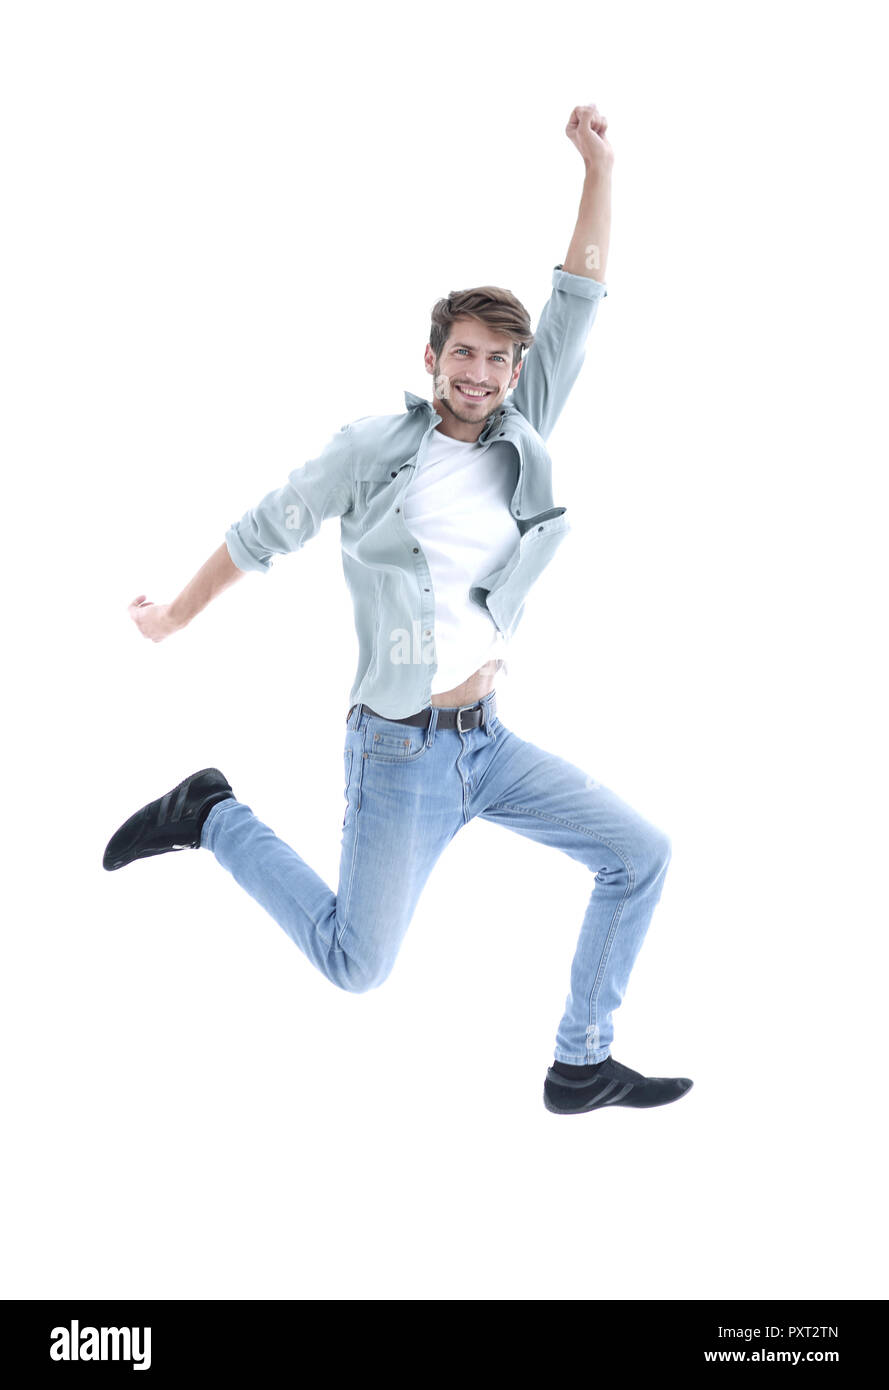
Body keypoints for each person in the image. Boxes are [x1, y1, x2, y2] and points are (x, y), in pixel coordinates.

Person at [103, 104, 692, 1116]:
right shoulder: (372, 449)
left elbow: (581, 296)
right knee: (355, 966)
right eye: (462, 354)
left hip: (490, 743)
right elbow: (262, 532)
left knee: (640, 853)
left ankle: (579, 1060)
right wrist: (176, 618)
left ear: (514, 371)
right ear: (431, 360)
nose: (480, 373)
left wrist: (598, 165)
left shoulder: (525, 428)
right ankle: (212, 813)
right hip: (400, 753)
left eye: (498, 360)